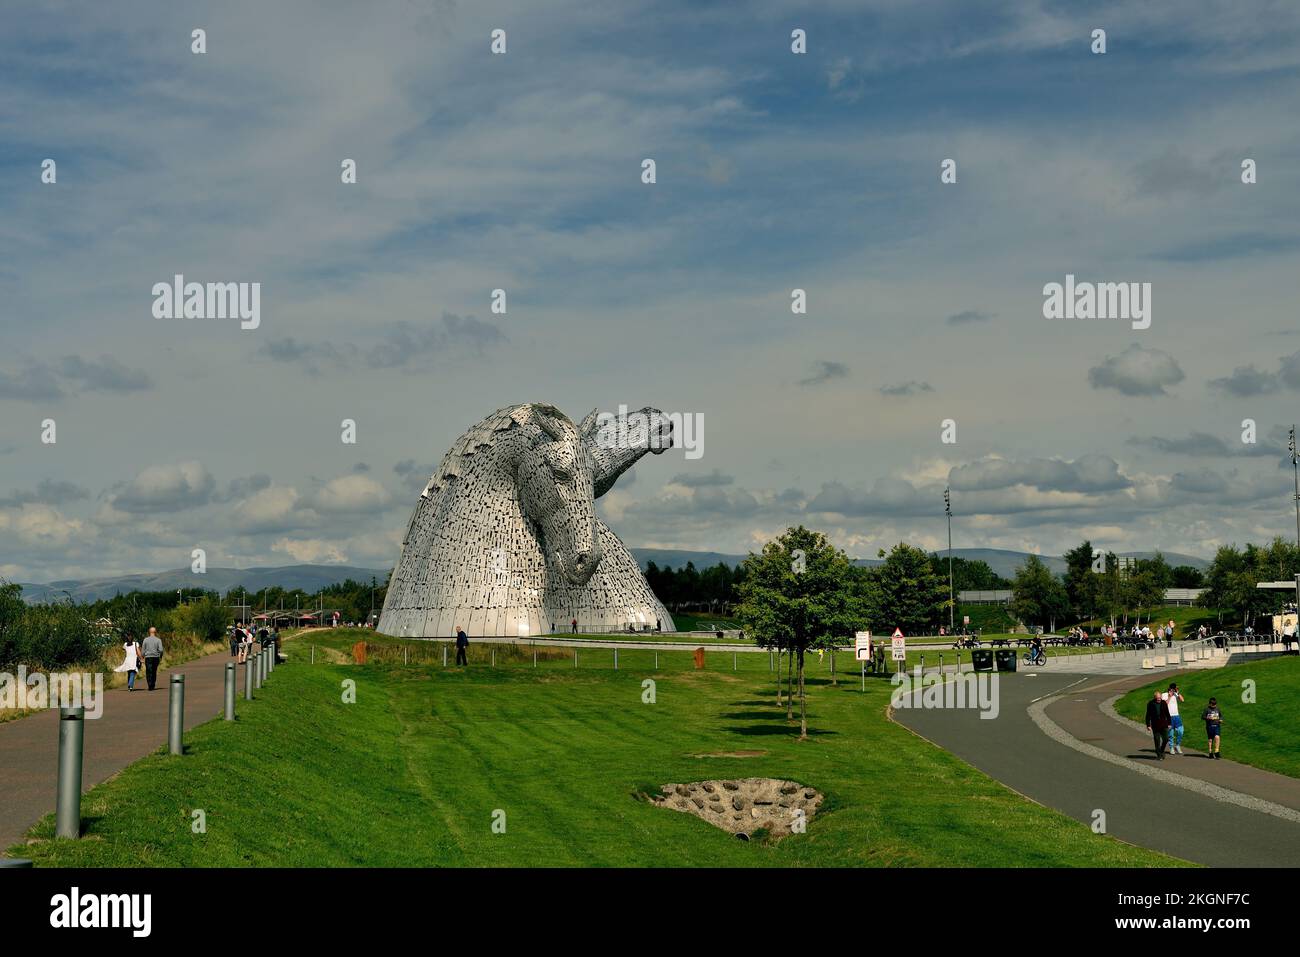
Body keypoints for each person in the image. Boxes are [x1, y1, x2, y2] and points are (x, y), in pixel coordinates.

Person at [1145, 690, 1171, 759]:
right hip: (1155, 725)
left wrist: (1169, 723)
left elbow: (1167, 714)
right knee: (1157, 740)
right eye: (1157, 698)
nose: (1159, 700)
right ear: (1155, 698)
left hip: (1163, 724)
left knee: (1166, 739)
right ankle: (1159, 755)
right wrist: (1148, 725)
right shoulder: (1150, 704)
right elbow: (1148, 715)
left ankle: (1161, 750)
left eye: (1160, 698)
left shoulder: (1163, 703)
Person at [1164, 683, 1185, 755]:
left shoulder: (1176, 694)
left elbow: (1182, 700)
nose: (1174, 690)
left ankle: (1178, 745)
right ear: (1169, 688)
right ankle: (1171, 747)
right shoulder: (1164, 695)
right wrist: (1169, 696)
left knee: (1181, 731)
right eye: (1173, 689)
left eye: (1175, 689)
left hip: (1176, 716)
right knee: (1171, 734)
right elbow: (1164, 705)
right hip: (1169, 717)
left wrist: (1177, 693)